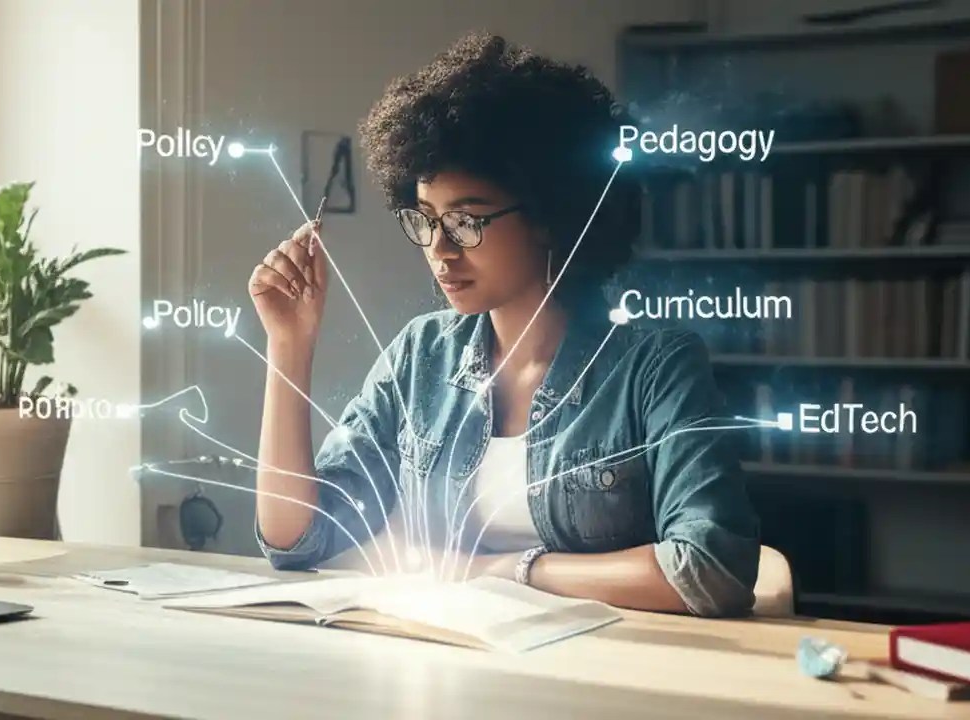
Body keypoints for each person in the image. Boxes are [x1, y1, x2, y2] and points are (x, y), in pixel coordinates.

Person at [247, 33, 759, 617]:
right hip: (452, 669)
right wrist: (289, 345)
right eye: (425, 219)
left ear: (548, 214)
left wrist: (504, 571)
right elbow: (297, 538)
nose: (440, 249)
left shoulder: (655, 367)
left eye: (466, 221)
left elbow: (711, 568)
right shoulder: (422, 355)